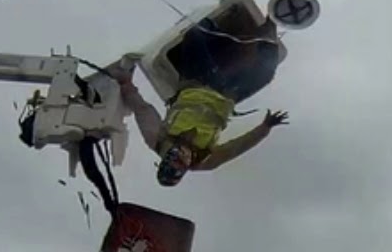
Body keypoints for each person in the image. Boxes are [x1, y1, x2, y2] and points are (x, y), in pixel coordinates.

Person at [114, 15, 290, 187]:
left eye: (174, 155)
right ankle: (274, 20)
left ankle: (215, 27)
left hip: (196, 82)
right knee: (265, 73)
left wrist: (126, 85)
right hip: (227, 94)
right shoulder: (206, 161)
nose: (182, 152)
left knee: (194, 35)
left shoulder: (157, 141)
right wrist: (264, 128)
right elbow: (236, 148)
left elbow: (143, 110)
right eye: (182, 160)